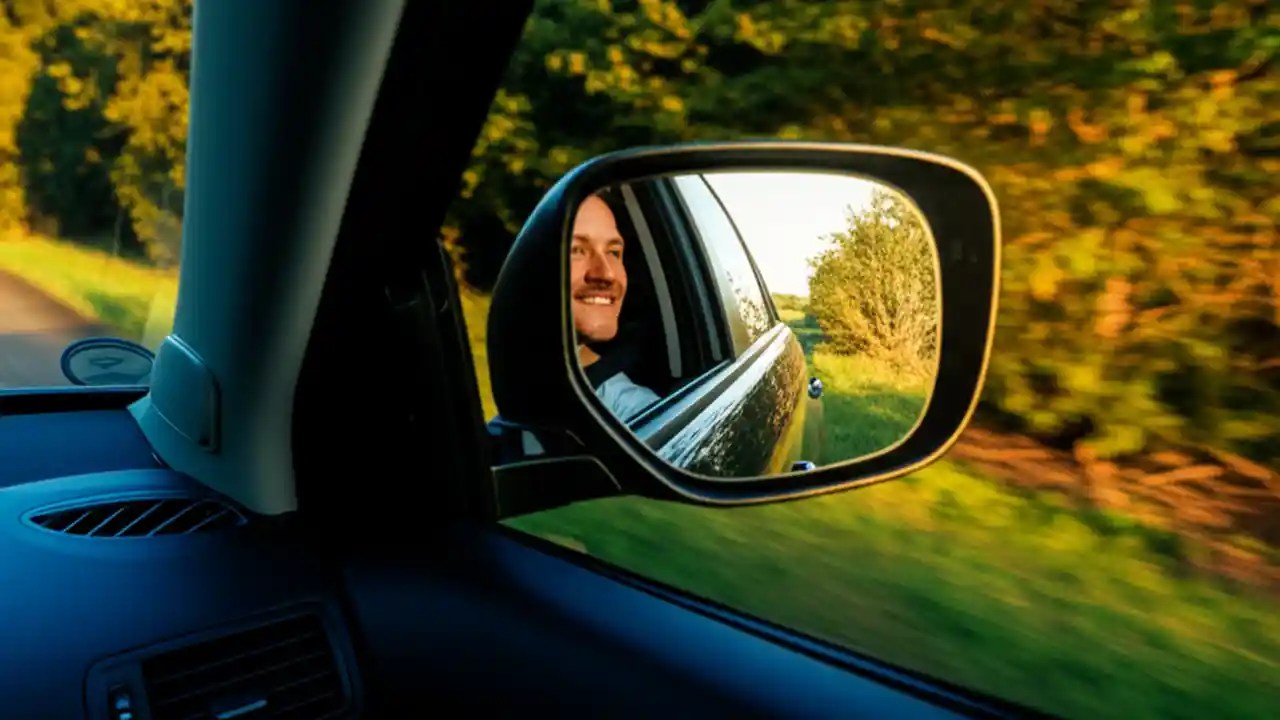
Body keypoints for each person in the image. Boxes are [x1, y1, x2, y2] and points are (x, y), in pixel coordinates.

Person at [487, 190, 660, 462]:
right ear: (526, 270)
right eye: (577, 250)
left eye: (614, 252)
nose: (606, 273)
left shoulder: (635, 412)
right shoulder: (523, 405)